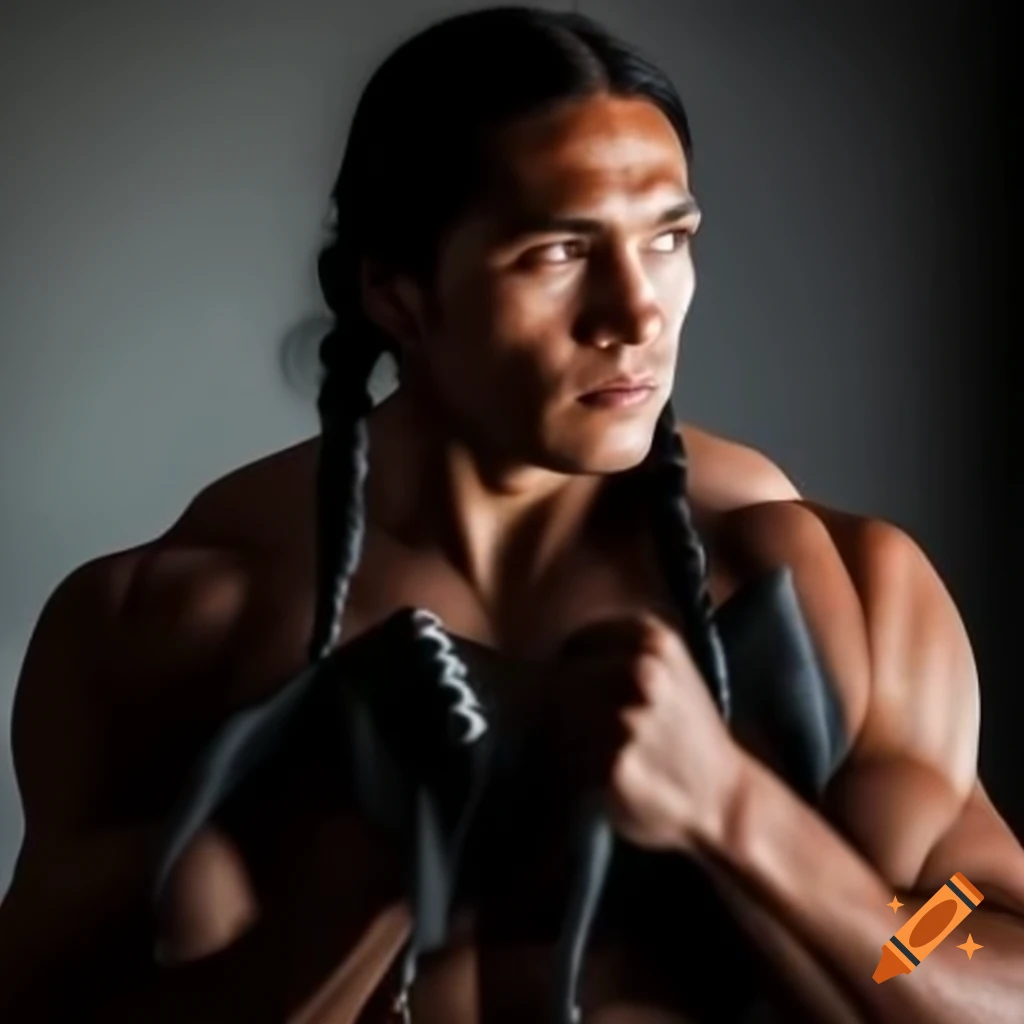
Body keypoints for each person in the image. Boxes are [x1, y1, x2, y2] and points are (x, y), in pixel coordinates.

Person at [2, 6, 1022, 1022]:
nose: (636, 314)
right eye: (558, 253)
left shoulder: (842, 594)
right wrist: (348, 897)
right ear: (397, 293)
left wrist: (744, 820)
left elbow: (976, 945)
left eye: (668, 238)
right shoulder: (178, 620)